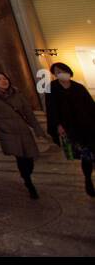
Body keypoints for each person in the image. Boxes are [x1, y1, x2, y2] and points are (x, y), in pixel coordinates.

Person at [0, 70, 45, 199]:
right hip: (8, 132)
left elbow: (28, 113)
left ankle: (26, 175)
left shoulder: (17, 94)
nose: (3, 81)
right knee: (20, 157)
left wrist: (37, 129)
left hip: (23, 130)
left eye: (5, 78)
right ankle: (29, 182)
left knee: (30, 158)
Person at [45, 62, 95, 197]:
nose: (60, 72)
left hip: (89, 126)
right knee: (86, 156)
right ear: (54, 74)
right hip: (72, 129)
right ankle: (88, 179)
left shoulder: (79, 87)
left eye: (62, 70)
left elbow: (91, 106)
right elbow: (51, 109)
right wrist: (57, 125)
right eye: (57, 71)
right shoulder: (52, 88)